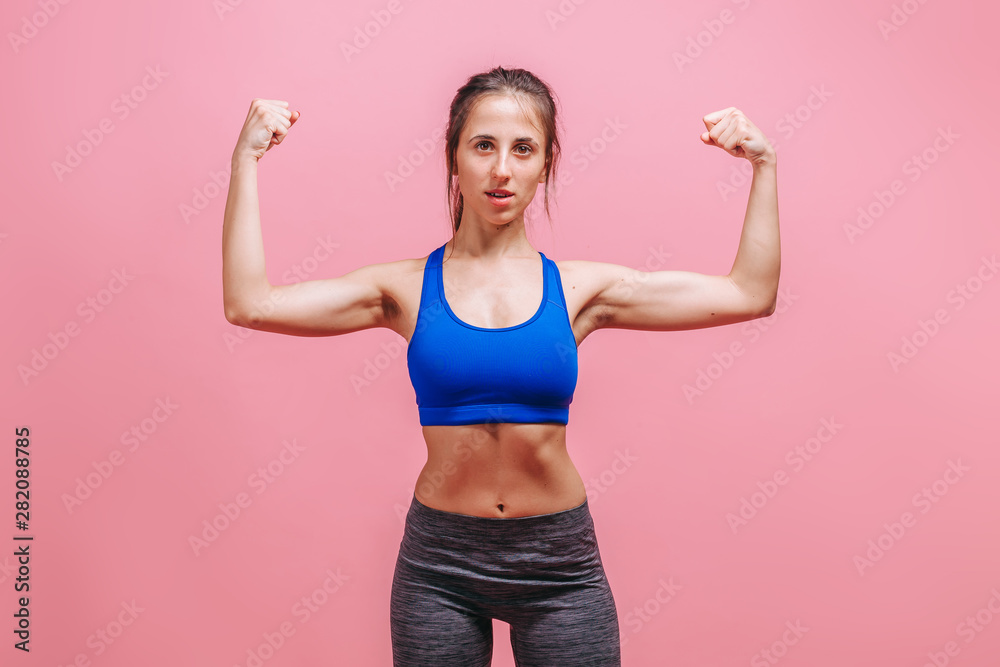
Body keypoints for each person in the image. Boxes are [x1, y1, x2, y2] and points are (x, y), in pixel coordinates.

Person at [222, 66, 779, 667]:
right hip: (441, 564)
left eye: (524, 149)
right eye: (483, 145)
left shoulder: (579, 289)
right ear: (454, 156)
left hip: (558, 564)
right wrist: (244, 162)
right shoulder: (404, 288)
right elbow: (251, 304)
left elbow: (750, 293)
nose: (502, 169)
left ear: (546, 163)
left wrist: (763, 166)